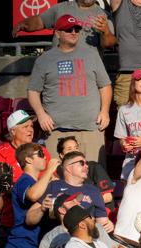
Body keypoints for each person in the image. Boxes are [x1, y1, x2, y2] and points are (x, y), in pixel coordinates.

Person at [27, 15, 112, 165]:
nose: (74, 32)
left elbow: (104, 85)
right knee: (59, 179)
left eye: (76, 29)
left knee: (93, 176)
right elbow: (33, 91)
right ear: (57, 33)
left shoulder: (92, 55)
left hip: (90, 129)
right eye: (68, 30)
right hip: (57, 131)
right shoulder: (44, 60)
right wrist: (41, 114)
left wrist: (105, 111)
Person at [6, 142, 60, 248]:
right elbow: (33, 194)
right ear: (28, 160)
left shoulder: (38, 181)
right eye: (41, 154)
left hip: (35, 246)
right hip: (20, 245)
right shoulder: (24, 180)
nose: (45, 157)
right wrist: (50, 170)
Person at [46, 150, 114, 233]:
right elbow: (30, 219)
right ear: (68, 167)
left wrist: (107, 226)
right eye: (82, 163)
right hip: (57, 238)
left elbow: (102, 222)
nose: (86, 166)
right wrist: (42, 208)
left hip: (85, 239)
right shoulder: (53, 186)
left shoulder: (93, 190)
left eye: (86, 163)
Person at [13, 0, 116, 52]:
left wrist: (105, 31)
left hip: (88, 73)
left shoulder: (104, 14)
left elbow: (109, 45)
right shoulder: (61, 8)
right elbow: (40, 21)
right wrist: (23, 24)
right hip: (59, 67)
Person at [115, 70, 141, 181]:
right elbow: (122, 138)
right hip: (131, 159)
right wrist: (124, 144)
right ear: (133, 83)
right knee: (129, 191)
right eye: (140, 80)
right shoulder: (124, 110)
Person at [0, 110, 52, 182]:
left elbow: (52, 176)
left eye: (31, 126)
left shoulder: (41, 150)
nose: (30, 130)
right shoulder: (1, 152)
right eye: (25, 127)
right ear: (13, 131)